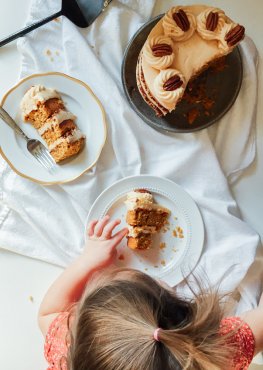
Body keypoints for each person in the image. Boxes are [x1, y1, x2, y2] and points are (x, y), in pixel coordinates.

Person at [39, 216, 263, 370]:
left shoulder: (66, 347)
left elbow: (48, 312)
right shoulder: (215, 350)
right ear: (184, 316)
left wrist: (87, 260)